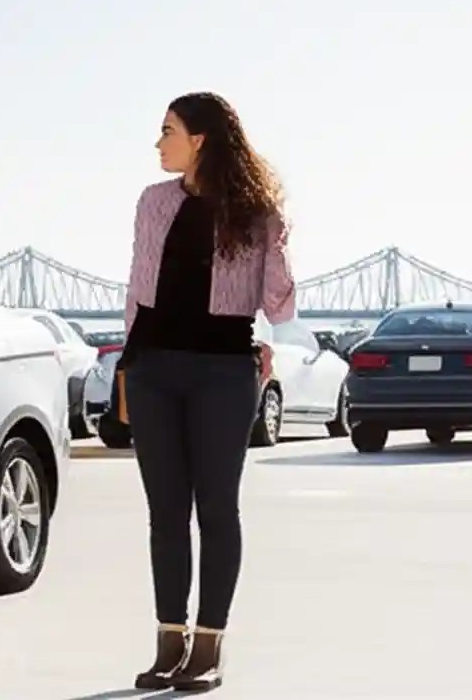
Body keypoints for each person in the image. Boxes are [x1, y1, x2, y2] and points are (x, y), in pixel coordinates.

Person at [120, 91, 295, 691]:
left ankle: (210, 648)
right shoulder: (153, 202)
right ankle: (170, 642)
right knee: (165, 514)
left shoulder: (254, 212)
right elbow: (138, 287)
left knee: (216, 509)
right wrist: (130, 361)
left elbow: (280, 302)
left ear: (199, 140)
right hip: (154, 373)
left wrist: (278, 235)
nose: (158, 141)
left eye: (167, 130)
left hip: (223, 372)